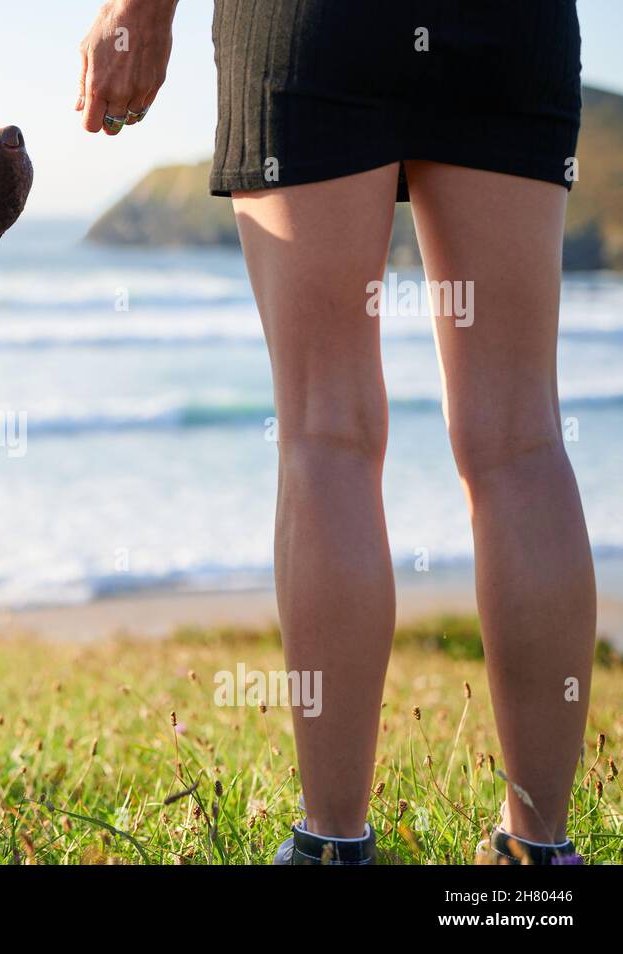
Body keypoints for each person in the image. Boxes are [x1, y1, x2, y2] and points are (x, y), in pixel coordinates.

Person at [78, 0, 591, 865]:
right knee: (520, 441)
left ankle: (332, 849)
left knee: (327, 434)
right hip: (511, 24)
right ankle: (536, 868)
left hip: (315, 23)